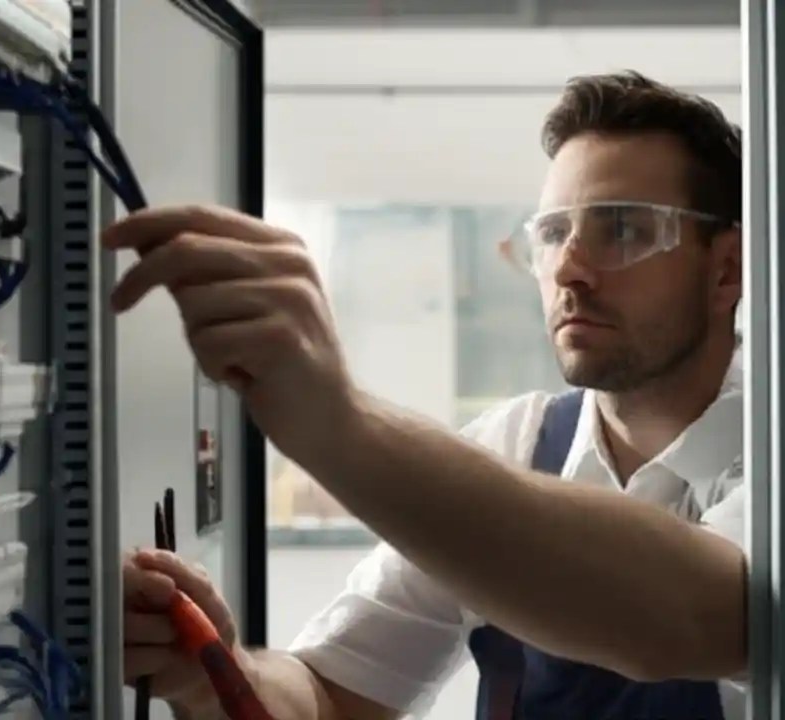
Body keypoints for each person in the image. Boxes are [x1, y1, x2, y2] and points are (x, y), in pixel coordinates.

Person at [117, 71, 747, 720]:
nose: (568, 268)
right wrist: (214, 669)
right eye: (554, 233)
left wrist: (339, 422)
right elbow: (328, 698)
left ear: (726, 268)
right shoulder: (518, 447)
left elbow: (686, 614)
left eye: (623, 230)